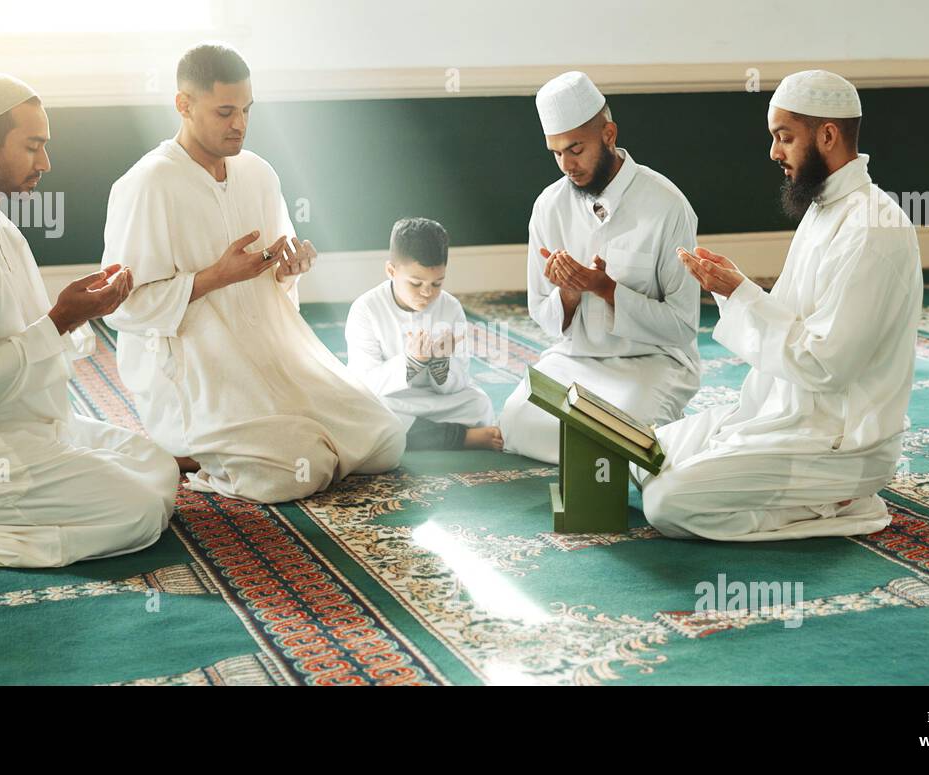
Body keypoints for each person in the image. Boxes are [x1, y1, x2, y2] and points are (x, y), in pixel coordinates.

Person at [0, 73, 180, 567]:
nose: (46, 162)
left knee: (160, 468)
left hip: (29, 427)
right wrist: (61, 319)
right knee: (143, 511)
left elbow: (26, 333)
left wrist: (85, 309)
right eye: (33, 146)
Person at [102, 44, 405, 503]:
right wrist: (215, 277)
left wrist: (289, 270)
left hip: (270, 350)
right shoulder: (148, 184)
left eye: (246, 110)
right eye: (225, 112)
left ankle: (247, 441)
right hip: (197, 373)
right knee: (297, 470)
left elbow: (275, 274)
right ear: (183, 105)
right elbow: (123, 308)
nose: (239, 124)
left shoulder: (258, 172)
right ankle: (187, 451)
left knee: (384, 437)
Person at [636, 69, 923, 541]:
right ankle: (785, 486)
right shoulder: (825, 207)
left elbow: (826, 364)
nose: (774, 152)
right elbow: (796, 320)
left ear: (827, 135)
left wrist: (743, 295)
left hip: (842, 444)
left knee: (668, 503)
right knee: (646, 453)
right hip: (787, 414)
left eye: (784, 137)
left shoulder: (873, 228)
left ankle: (839, 504)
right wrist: (735, 288)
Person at [498, 71, 701, 464]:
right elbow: (542, 314)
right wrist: (570, 293)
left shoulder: (667, 205)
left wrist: (607, 289)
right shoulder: (548, 207)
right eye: (555, 153)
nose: (566, 165)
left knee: (625, 442)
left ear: (608, 134)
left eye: (575, 149)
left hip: (652, 362)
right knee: (516, 425)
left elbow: (682, 326)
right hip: (576, 360)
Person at [345, 217, 501, 451]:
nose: (427, 293)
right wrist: (412, 361)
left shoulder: (451, 308)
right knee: (358, 410)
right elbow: (365, 383)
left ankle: (424, 436)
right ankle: (462, 438)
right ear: (391, 271)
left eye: (437, 284)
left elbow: (460, 382)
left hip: (436, 401)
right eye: (416, 284)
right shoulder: (366, 308)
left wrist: (440, 363)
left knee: (479, 404)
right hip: (390, 400)